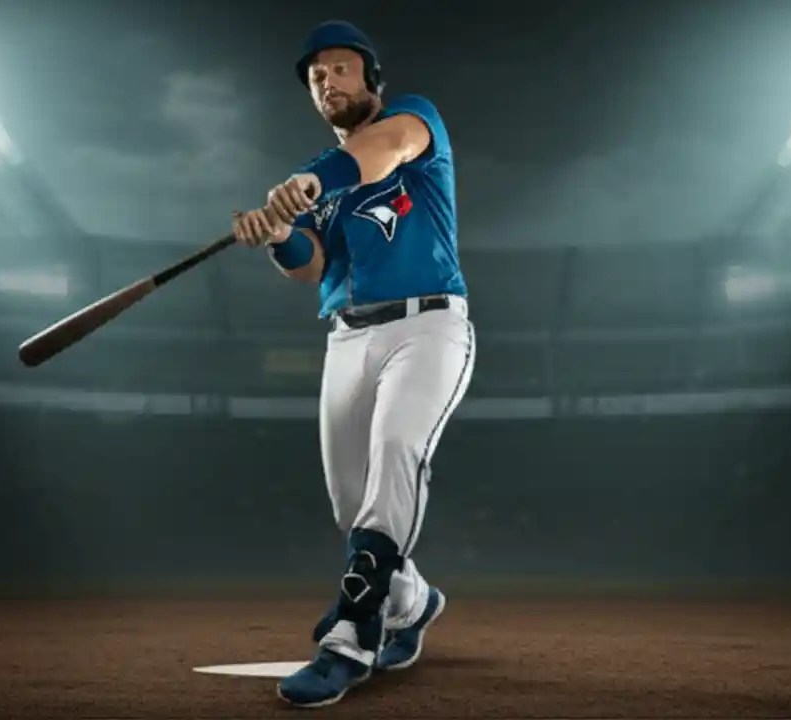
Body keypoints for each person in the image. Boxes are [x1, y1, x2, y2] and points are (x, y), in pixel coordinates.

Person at [229, 19, 476, 708]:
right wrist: (279, 231)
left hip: (427, 326)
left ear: (371, 78)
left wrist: (307, 183)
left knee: (397, 450)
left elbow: (382, 152)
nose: (328, 82)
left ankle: (352, 633)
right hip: (347, 337)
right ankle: (412, 600)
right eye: (317, 77)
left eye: (341, 69)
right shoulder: (320, 179)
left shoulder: (413, 120)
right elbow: (308, 267)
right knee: (351, 503)